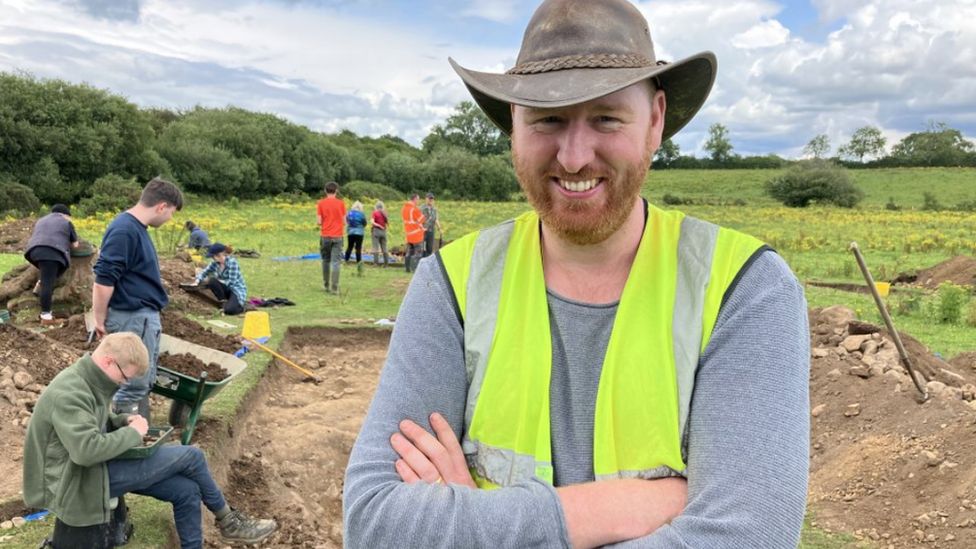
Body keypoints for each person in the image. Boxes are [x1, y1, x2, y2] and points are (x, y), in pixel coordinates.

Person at [344, 1, 809, 547]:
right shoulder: (450, 283)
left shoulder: (744, 289)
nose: (573, 156)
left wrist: (465, 520)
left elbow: (751, 537)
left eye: (607, 118)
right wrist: (604, 510)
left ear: (655, 121)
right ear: (512, 124)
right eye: (549, 120)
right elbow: (375, 524)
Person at [23, 332, 278, 548]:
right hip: (78, 480)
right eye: (125, 377)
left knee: (186, 491)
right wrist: (132, 433)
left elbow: (98, 420)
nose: (125, 383)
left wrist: (122, 421)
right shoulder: (70, 392)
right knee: (192, 456)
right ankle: (229, 521)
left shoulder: (89, 380)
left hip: (94, 471)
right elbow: (85, 451)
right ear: (110, 361)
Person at [92, 177, 183, 420]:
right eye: (172, 212)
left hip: (141, 318)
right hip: (132, 318)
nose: (170, 219)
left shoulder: (135, 229)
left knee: (141, 382)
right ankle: (123, 446)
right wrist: (99, 318)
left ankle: (137, 438)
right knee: (131, 385)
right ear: (162, 206)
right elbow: (104, 278)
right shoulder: (124, 229)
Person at [24, 204, 80, 325]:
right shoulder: (66, 223)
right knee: (48, 284)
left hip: (33, 251)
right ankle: (46, 316)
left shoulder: (41, 220)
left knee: (48, 274)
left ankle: (40, 282)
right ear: (65, 215)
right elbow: (75, 245)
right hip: (51, 253)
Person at [192, 243, 247, 315]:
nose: (213, 258)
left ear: (220, 255)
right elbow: (204, 272)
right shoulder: (214, 263)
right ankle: (223, 302)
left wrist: (220, 281)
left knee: (229, 311)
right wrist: (197, 280)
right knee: (212, 281)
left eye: (214, 256)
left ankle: (242, 307)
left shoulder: (232, 262)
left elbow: (232, 282)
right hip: (226, 288)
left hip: (235, 289)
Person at [317, 181, 346, 294]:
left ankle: (326, 285)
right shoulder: (341, 203)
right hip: (337, 236)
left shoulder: (321, 203)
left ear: (325, 191)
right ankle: (335, 288)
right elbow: (344, 221)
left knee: (325, 261)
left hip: (325, 236)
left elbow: (319, 222)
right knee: (336, 262)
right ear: (336, 191)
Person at [400, 193, 425, 273]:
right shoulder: (414, 209)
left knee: (409, 252)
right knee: (418, 252)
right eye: (418, 199)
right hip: (417, 234)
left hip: (409, 234)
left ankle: (407, 268)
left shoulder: (404, 208)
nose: (418, 201)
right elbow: (422, 219)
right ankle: (415, 269)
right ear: (414, 199)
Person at [420, 192, 443, 258]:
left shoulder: (434, 209)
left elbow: (436, 219)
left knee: (429, 248)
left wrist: (440, 228)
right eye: (429, 198)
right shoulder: (421, 208)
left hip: (431, 230)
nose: (430, 200)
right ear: (426, 199)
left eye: (432, 199)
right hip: (422, 231)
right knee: (422, 248)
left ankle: (428, 262)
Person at [370, 201, 390, 267]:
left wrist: (378, 225)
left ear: (376, 207)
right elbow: (387, 223)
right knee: (384, 247)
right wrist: (383, 227)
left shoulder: (375, 213)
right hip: (383, 232)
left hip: (376, 231)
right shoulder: (385, 213)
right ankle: (386, 264)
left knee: (375, 247)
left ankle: (376, 263)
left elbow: (372, 222)